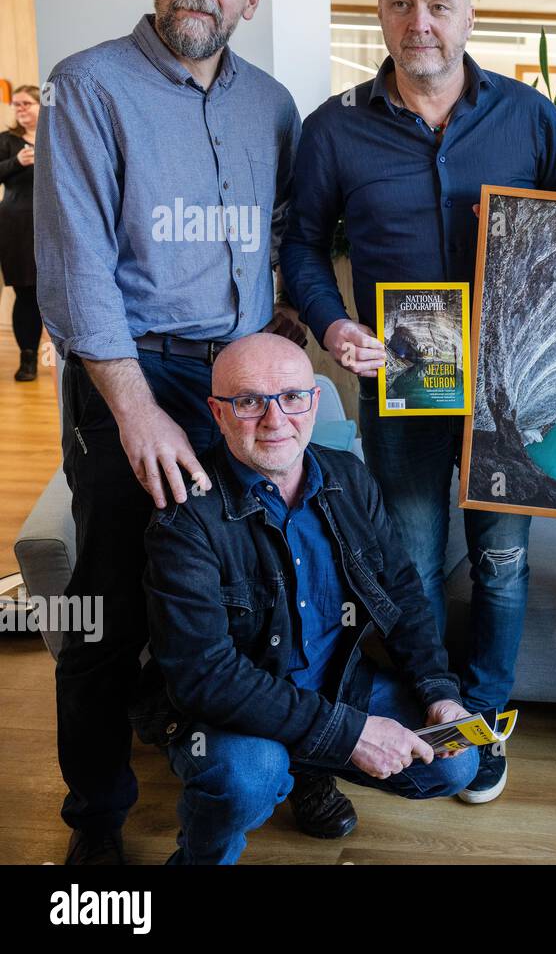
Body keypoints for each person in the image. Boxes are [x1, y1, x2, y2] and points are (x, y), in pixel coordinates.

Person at [281, 0, 556, 807]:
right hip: (404, 380)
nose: (418, 21)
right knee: (415, 563)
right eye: (398, 3)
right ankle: (437, 705)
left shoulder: (530, 117)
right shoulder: (333, 126)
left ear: (469, 17)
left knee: (502, 560)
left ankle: (488, 717)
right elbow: (303, 245)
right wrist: (332, 320)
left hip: (509, 385)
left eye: (436, 4)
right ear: (379, 15)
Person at [33, 0, 303, 866]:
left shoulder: (272, 106)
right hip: (129, 374)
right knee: (101, 610)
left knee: (237, 591)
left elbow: (288, 246)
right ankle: (95, 824)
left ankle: (258, 764)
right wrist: (136, 408)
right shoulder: (85, 87)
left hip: (234, 384)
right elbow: (73, 267)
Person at [134, 333, 476, 864]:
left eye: (293, 397)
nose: (275, 421)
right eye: (249, 402)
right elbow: (204, 675)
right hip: (231, 714)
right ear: (217, 413)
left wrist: (437, 691)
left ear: (314, 402)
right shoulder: (186, 516)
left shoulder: (348, 477)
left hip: (336, 685)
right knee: (249, 775)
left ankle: (308, 771)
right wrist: (348, 734)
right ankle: (202, 854)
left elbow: (404, 593)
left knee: (454, 763)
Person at [1, 85, 42, 381]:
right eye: (16, 105)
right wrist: (17, 162)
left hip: (53, 224)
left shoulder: (56, 134)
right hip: (16, 225)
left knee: (52, 293)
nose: (20, 109)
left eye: (27, 103)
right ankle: (28, 359)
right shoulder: (7, 141)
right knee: (26, 293)